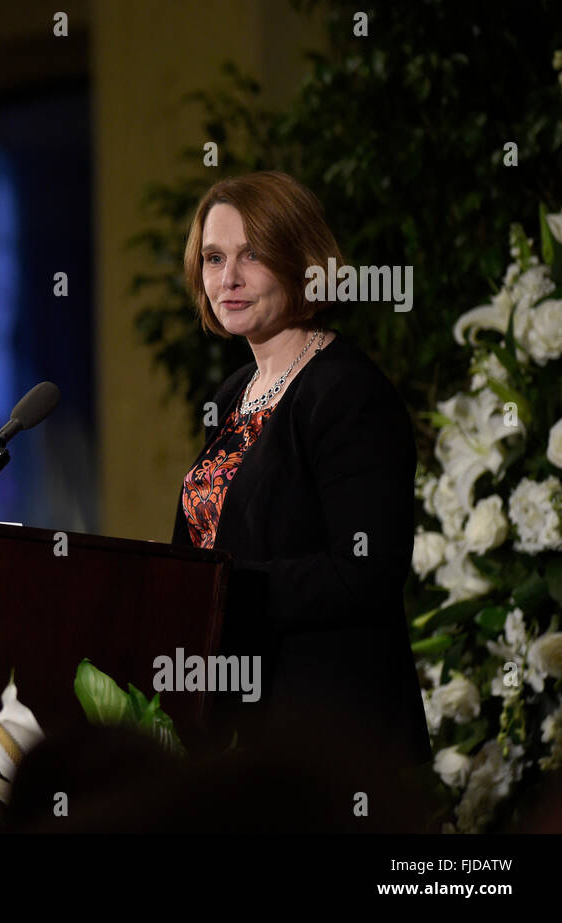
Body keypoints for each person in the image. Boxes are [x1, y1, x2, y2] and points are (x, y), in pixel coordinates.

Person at [170, 171, 431, 792]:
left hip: (329, 747)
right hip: (238, 734)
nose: (227, 279)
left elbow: (364, 571)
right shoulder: (236, 393)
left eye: (251, 255)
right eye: (213, 258)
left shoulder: (346, 392)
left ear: (304, 263)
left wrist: (221, 592)